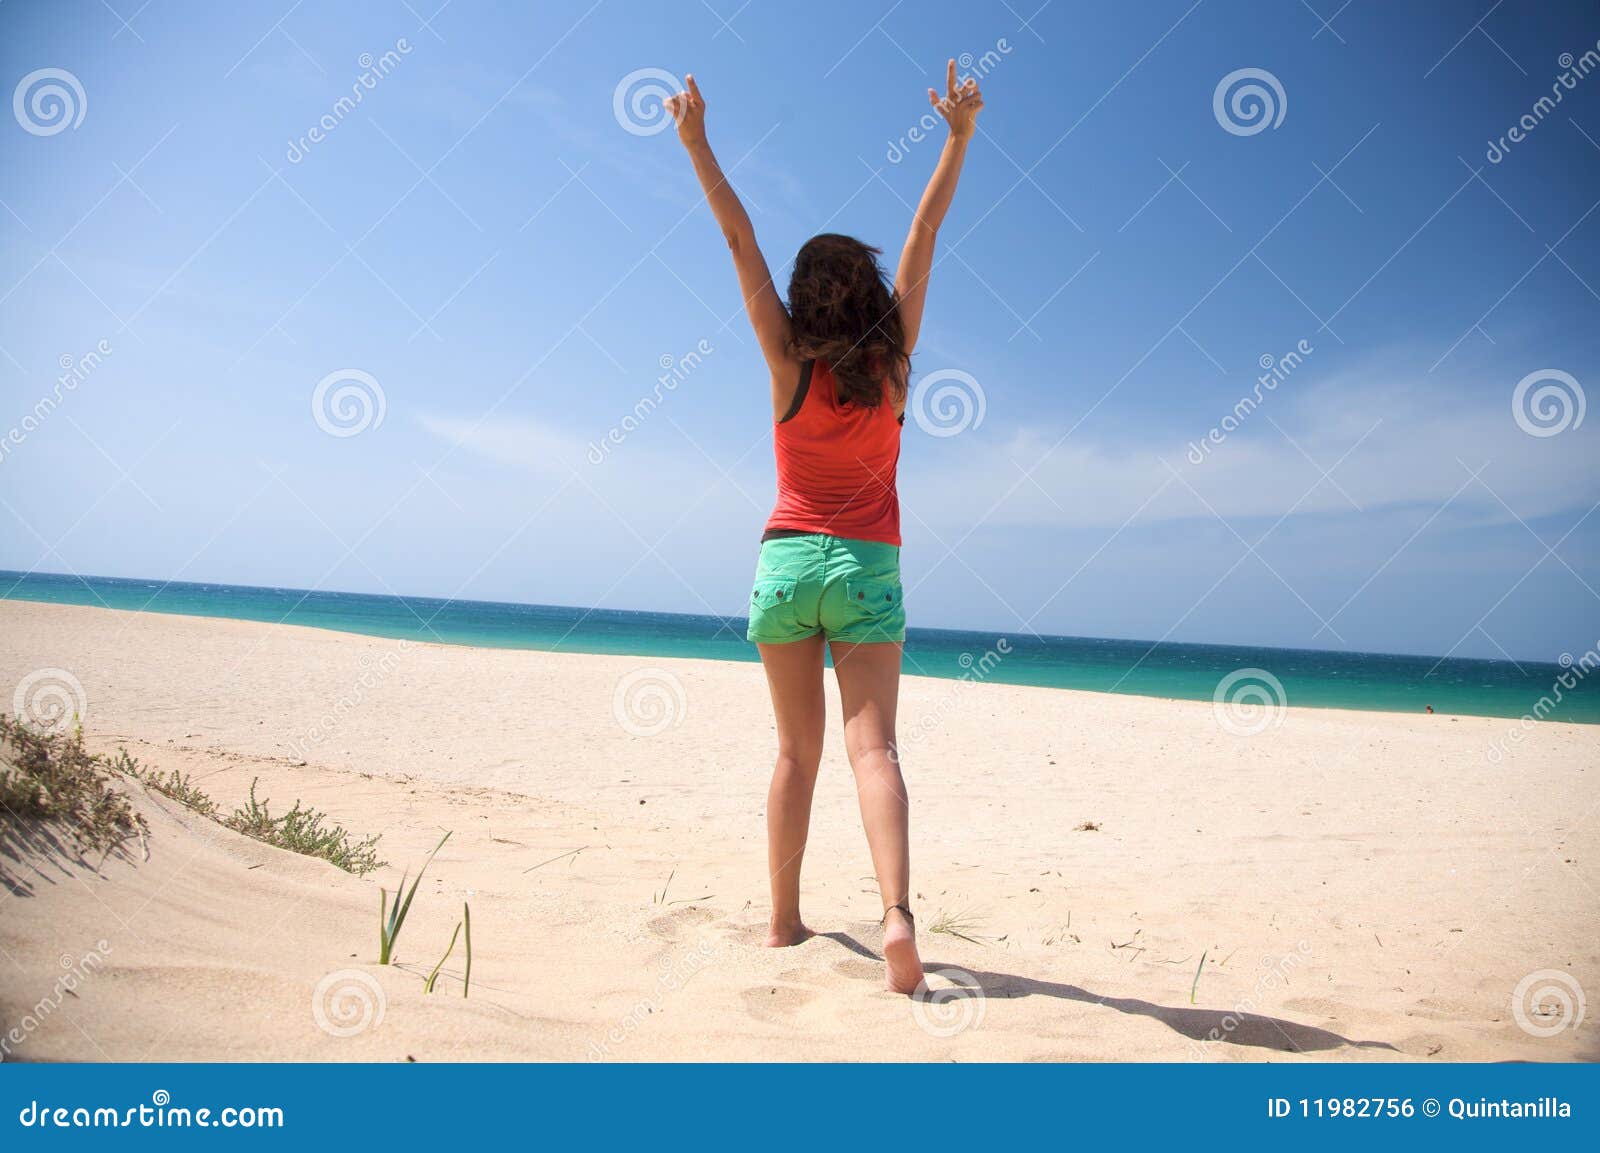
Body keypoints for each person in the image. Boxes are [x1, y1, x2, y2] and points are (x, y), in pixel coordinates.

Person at [666, 63, 982, 994]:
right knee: (872, 750)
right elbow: (925, 232)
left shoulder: (783, 359)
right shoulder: (896, 363)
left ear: (804, 300)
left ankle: (782, 921)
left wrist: (694, 142)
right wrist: (957, 137)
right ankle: (894, 916)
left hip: (785, 563)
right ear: (873, 294)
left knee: (794, 754)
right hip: (867, 567)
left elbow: (737, 236)